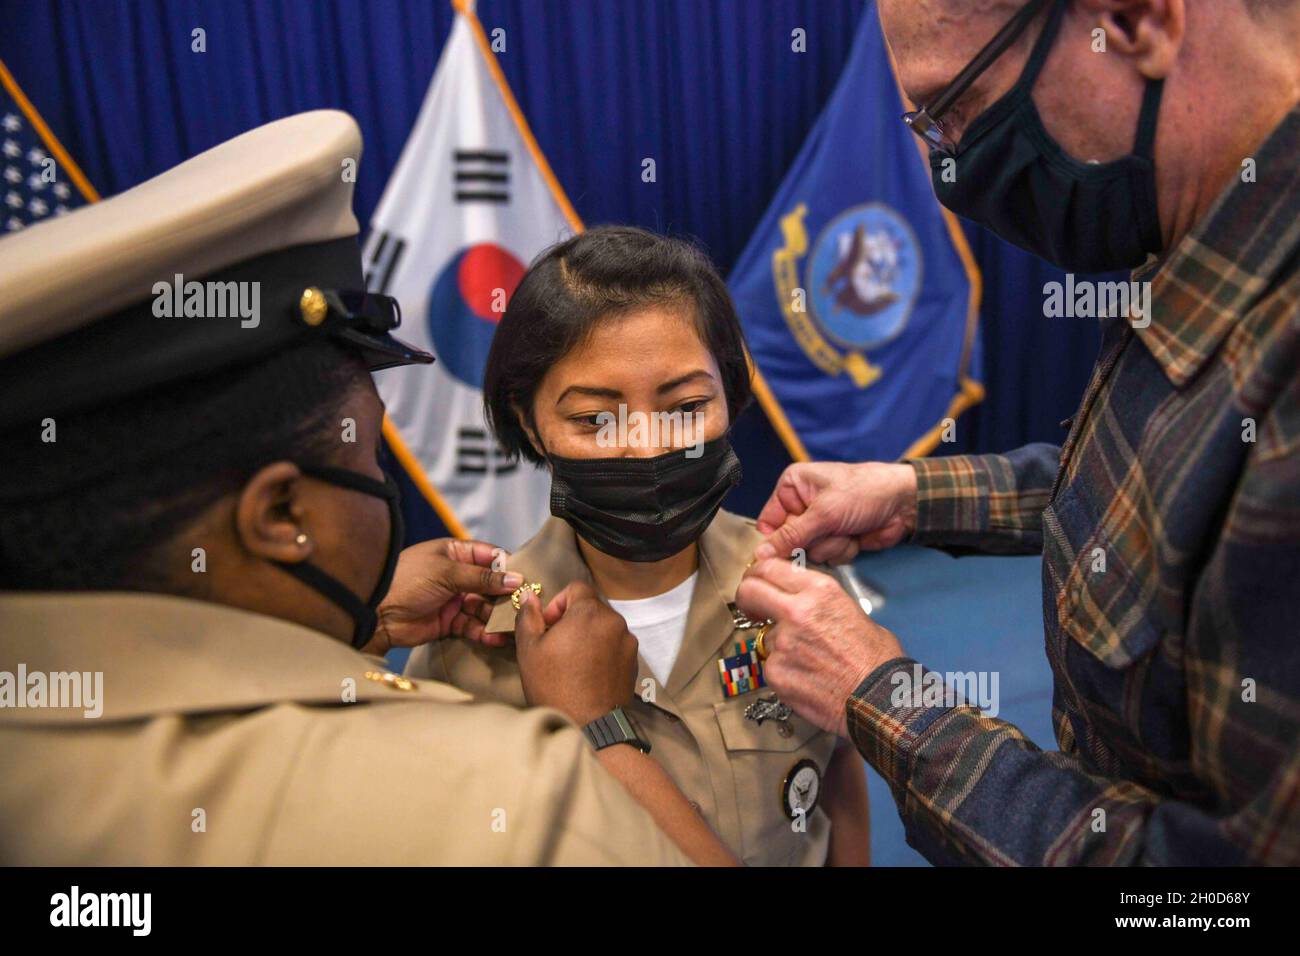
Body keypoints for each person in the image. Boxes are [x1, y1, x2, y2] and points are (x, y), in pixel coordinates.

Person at [0, 111, 735, 866]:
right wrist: (598, 731)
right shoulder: (499, 787)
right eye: (368, 457)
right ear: (283, 512)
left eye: (685, 405)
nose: (646, 445)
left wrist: (359, 627)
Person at [738, 0, 1300, 865]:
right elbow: (1170, 492)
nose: (950, 173)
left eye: (957, 108)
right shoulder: (1205, 218)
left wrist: (881, 697)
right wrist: (914, 495)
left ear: (1135, 20)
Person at [406, 227, 872, 866]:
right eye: (596, 420)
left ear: (731, 399)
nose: (648, 445)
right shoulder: (473, 647)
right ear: (529, 423)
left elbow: (840, 768)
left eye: (684, 406)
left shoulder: (798, 588)